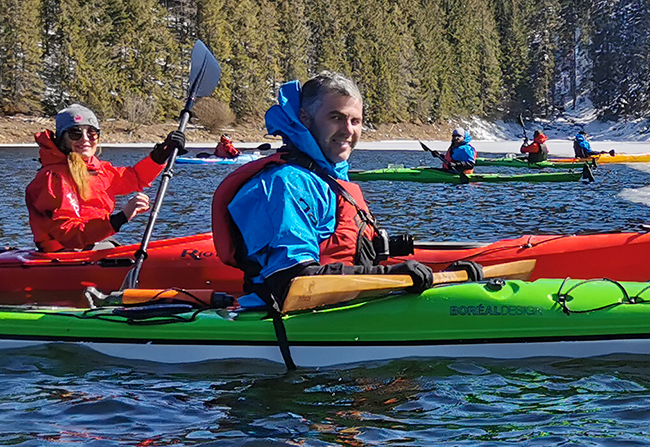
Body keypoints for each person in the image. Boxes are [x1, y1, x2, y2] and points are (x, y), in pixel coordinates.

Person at [213, 71, 482, 309]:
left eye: (356, 121)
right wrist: (393, 277)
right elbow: (293, 282)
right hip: (292, 318)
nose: (348, 130)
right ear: (305, 119)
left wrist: (443, 277)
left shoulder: (330, 179)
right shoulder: (286, 184)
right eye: (336, 118)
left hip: (339, 306)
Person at [25, 103, 185, 253]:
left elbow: (135, 177)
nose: (85, 139)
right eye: (75, 133)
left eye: (92, 133)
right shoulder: (53, 177)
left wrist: (161, 154)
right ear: (62, 139)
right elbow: (68, 234)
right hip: (67, 253)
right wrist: (121, 217)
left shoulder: (99, 170)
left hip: (94, 244)